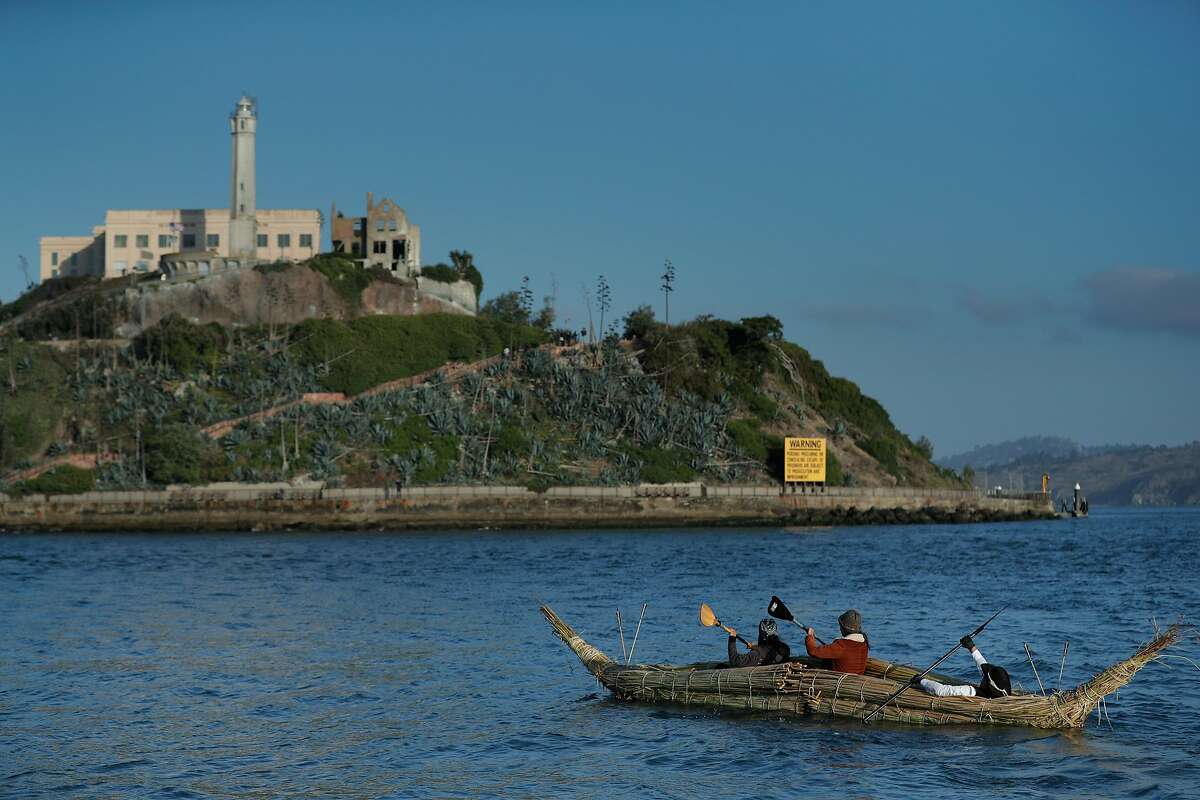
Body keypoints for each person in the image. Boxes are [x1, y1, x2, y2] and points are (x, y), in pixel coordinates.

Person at [913, 635, 1012, 698]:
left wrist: (921, 681)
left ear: (989, 685)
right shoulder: (1004, 688)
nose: (983, 676)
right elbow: (982, 663)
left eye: (985, 678)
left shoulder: (973, 692)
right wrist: (971, 647)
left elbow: (941, 691)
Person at [805, 609, 869, 674]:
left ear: (844, 628)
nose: (840, 629)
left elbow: (813, 651)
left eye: (840, 626)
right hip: (856, 678)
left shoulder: (842, 646)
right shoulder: (864, 643)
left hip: (840, 681)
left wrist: (810, 636)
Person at [726, 618, 791, 667]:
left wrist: (732, 638)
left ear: (761, 635)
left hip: (765, 678)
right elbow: (767, 648)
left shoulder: (756, 655)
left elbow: (734, 660)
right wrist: (754, 647)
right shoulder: (785, 649)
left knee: (721, 666)